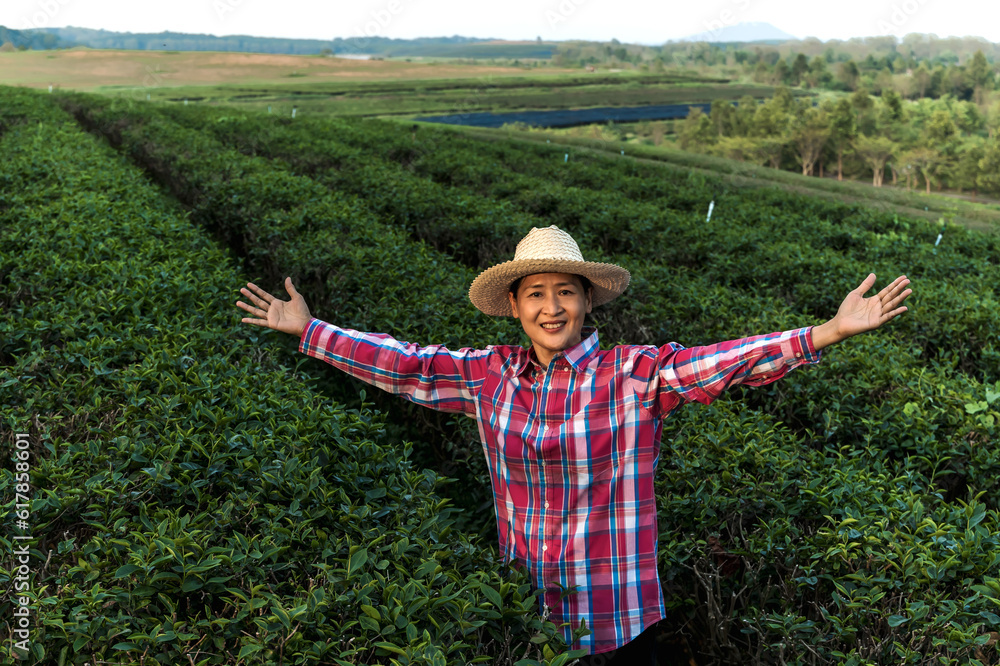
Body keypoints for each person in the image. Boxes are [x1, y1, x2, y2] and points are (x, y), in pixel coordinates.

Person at [236, 225, 912, 663]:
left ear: (588, 302)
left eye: (565, 292)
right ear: (517, 306)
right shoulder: (487, 375)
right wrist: (309, 330)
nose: (551, 306)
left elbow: (720, 362)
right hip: (527, 614)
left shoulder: (634, 376)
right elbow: (406, 363)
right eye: (537, 294)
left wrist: (823, 333)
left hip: (619, 622)